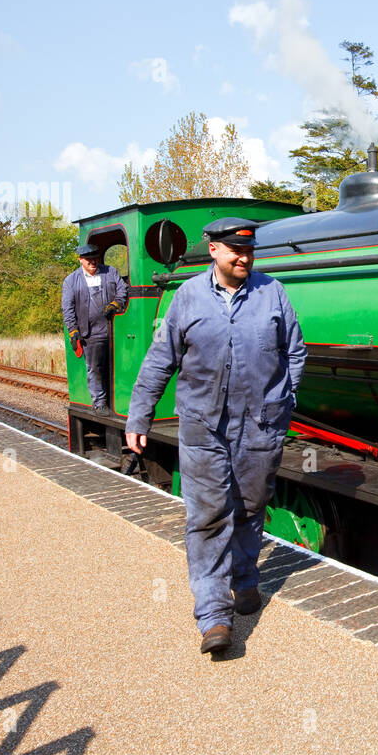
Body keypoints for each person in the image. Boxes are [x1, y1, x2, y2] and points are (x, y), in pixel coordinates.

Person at [124, 217, 306, 656]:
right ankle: (213, 617)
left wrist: (282, 405)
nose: (244, 257)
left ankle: (245, 581)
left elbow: (294, 352)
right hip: (202, 428)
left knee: (250, 507)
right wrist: (138, 417)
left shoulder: (272, 292)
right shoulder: (187, 297)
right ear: (214, 251)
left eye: (249, 251)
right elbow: (158, 362)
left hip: (259, 426)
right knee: (207, 518)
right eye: (235, 251)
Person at [62, 242, 128, 417]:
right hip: (90, 332)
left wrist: (116, 303)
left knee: (116, 365)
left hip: (115, 328)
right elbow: (67, 308)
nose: (93, 262)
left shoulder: (110, 272)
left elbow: (122, 289)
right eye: (88, 259)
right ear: (80, 260)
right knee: (95, 368)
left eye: (95, 258)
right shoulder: (71, 281)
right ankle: (99, 403)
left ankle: (119, 401)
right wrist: (73, 330)